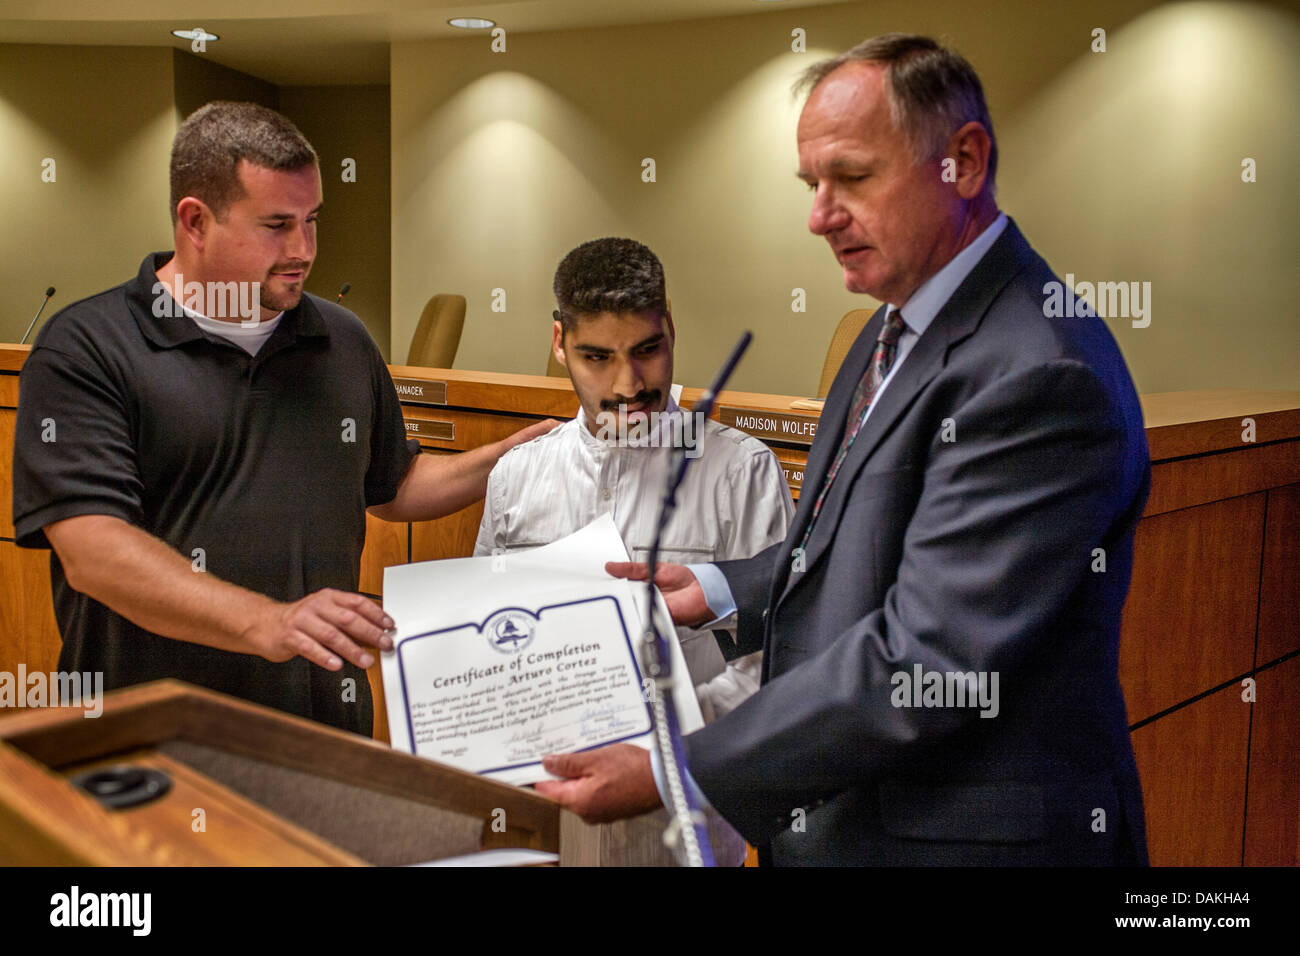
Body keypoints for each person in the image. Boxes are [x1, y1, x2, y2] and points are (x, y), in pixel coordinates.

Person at [535, 34, 1151, 866]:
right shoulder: (886, 329)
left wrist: (680, 769)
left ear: (963, 163)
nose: (819, 215)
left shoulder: (1038, 371)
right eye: (812, 184)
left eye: (852, 178)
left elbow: (927, 657)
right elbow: (849, 542)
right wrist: (719, 587)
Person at [11, 101, 554, 736]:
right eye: (276, 225)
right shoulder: (89, 346)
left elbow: (393, 485)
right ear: (195, 221)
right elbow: (94, 553)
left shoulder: (342, 337)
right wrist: (270, 622)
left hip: (322, 724)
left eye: (312, 221)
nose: (303, 250)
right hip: (154, 731)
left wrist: (511, 458)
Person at [477, 237, 793, 866]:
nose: (629, 384)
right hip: (547, 811)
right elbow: (489, 641)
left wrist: (662, 752)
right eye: (597, 357)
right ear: (559, 343)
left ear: (670, 328)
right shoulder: (517, 476)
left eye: (647, 351)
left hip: (684, 817)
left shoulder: (743, 472)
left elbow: (778, 663)